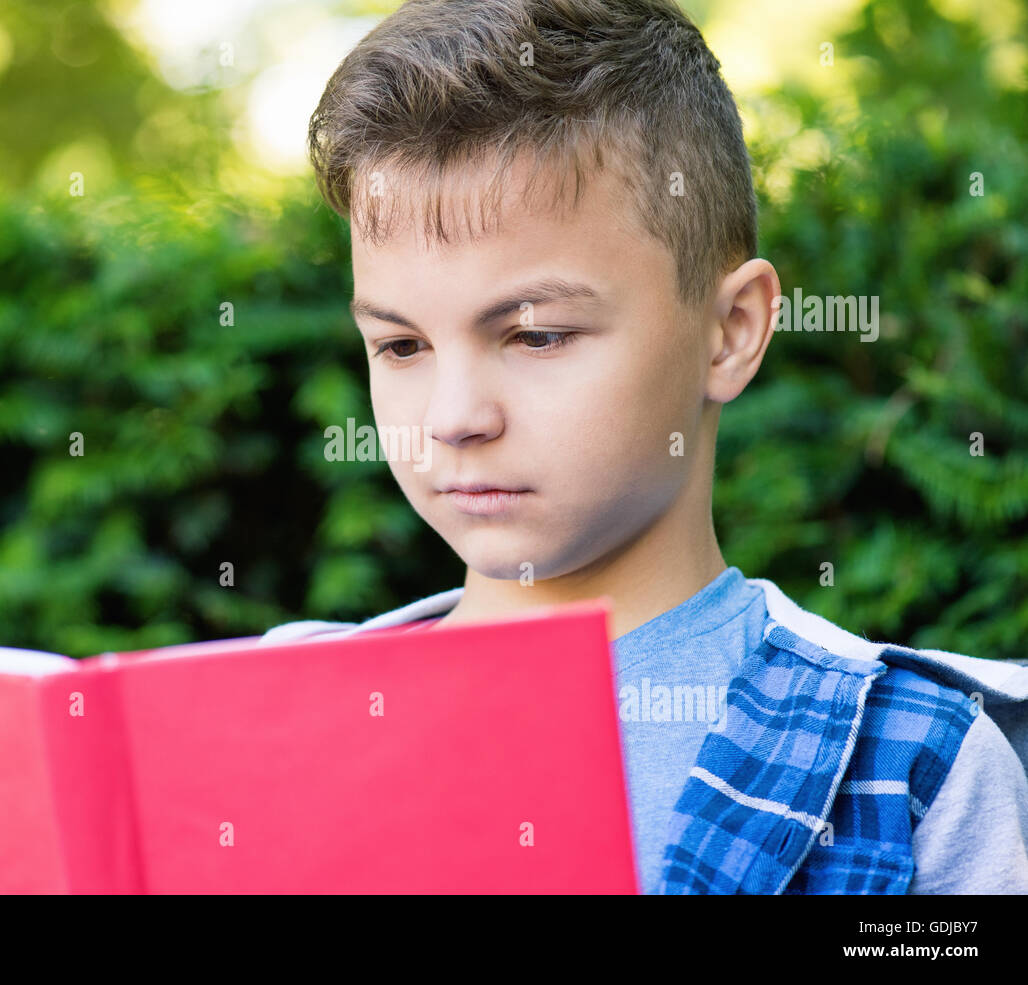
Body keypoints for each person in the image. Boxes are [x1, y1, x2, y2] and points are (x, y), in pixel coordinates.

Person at [260, 0, 1028, 894]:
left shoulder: (911, 766)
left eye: (537, 334)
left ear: (730, 330)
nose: (454, 416)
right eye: (401, 346)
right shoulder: (273, 714)